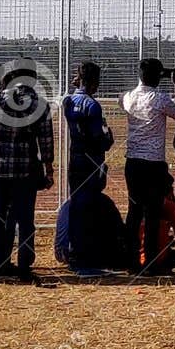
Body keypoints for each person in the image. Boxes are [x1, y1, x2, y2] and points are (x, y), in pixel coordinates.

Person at [0, 63, 55, 282]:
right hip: (25, 173)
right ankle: (24, 267)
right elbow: (45, 141)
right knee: (25, 220)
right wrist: (49, 169)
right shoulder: (38, 105)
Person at [120, 58, 175, 275]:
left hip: (133, 162)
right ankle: (150, 262)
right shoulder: (159, 98)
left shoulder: (128, 97)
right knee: (152, 213)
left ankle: (131, 261)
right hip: (153, 164)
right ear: (157, 77)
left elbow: (121, 100)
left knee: (134, 213)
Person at [59, 61, 118, 272]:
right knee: (89, 206)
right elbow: (97, 137)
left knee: (76, 205)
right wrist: (108, 139)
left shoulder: (68, 101)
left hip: (75, 158)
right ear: (94, 80)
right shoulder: (93, 105)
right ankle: (84, 260)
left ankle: (74, 252)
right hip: (91, 160)